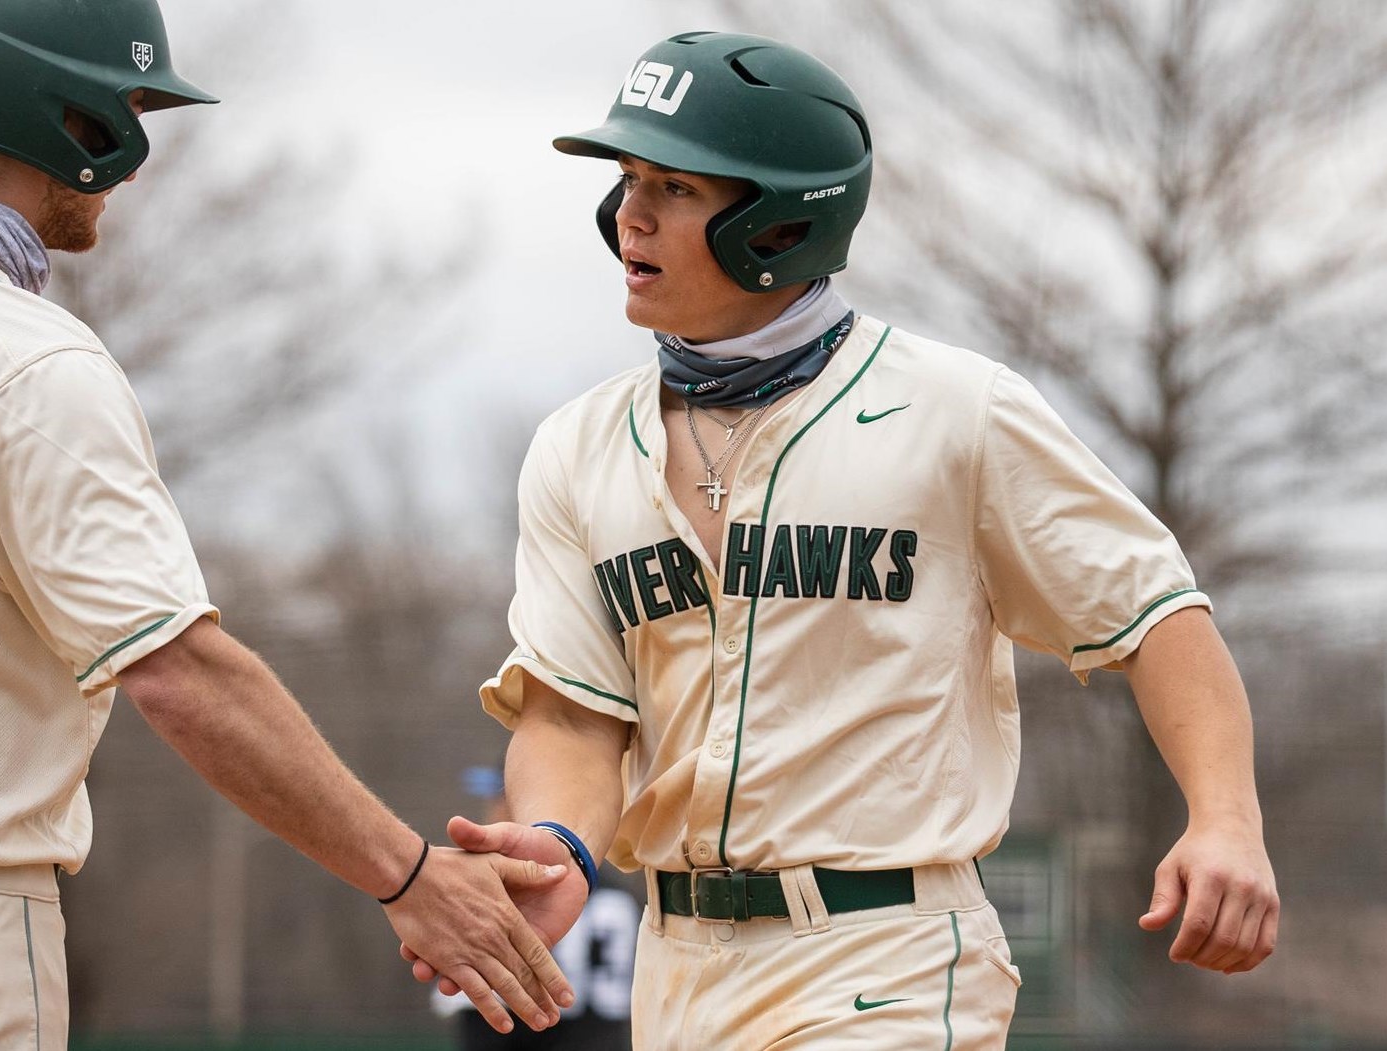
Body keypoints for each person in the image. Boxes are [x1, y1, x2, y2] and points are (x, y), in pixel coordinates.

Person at [0, 2, 570, 1047]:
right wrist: (409, 874)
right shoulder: (28, 357)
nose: (136, 155)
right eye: (129, 107)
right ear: (64, 115)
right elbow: (179, 676)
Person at [423, 31, 1279, 1049]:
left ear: (780, 225)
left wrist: (1224, 817)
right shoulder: (576, 447)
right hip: (677, 970)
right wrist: (559, 840)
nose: (629, 216)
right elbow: (574, 717)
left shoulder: (953, 412)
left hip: (887, 955)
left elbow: (1151, 615)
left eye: (676, 188)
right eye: (625, 182)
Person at [433, 767, 638, 1051]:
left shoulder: (493, 891)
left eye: (500, 798)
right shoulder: (615, 891)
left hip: (516, 1030)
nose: (492, 810)